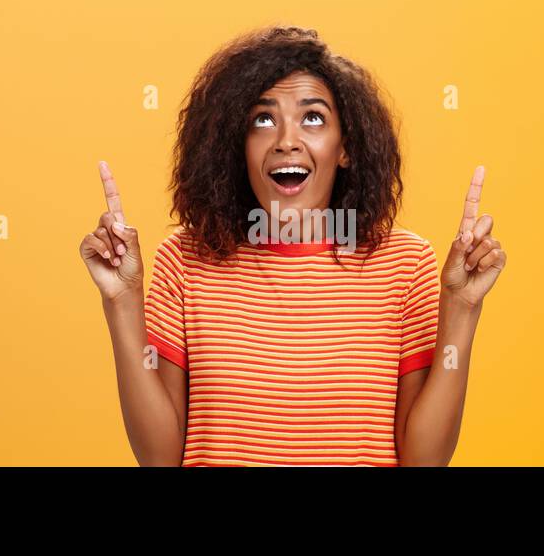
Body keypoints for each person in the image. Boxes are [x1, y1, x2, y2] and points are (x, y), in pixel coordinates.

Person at [79, 26, 505, 466]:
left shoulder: (403, 264)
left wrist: (462, 308)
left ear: (346, 148)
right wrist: (121, 300)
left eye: (313, 117)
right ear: (237, 147)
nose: (285, 140)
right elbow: (159, 458)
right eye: (263, 120)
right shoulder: (186, 260)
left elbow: (424, 460)